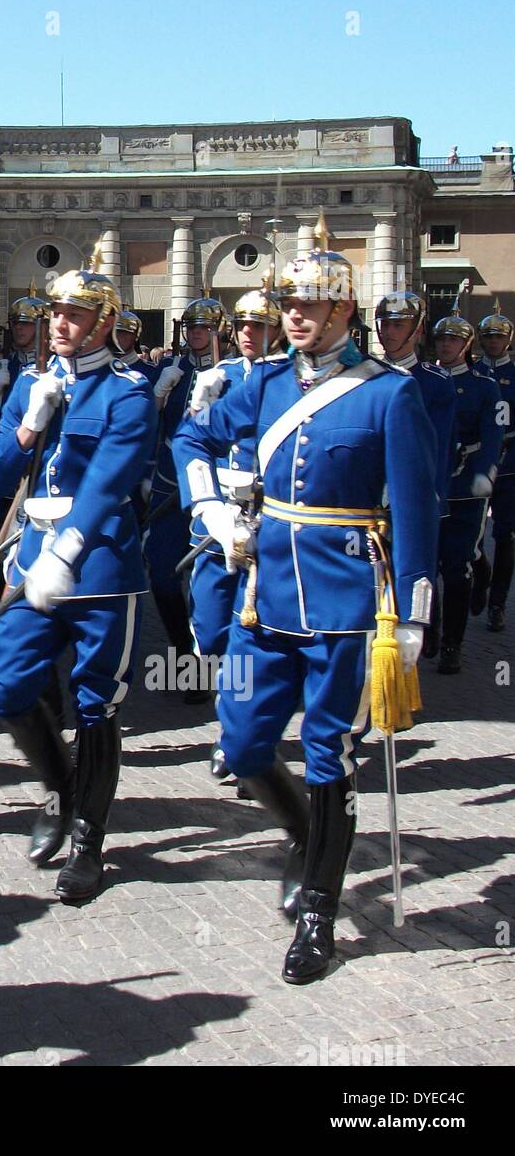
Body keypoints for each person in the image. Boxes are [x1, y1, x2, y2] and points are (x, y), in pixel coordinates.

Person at [173, 228, 438, 983]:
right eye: (289, 303)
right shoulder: (260, 385)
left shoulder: (390, 392)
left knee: (330, 756)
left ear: (345, 309)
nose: (295, 316)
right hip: (263, 598)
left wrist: (413, 612)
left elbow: (415, 507)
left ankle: (320, 910)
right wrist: (209, 511)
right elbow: (191, 439)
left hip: (348, 603)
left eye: (312, 305)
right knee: (245, 743)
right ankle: (301, 835)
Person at [0, 251, 155, 902]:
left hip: (100, 563)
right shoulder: (27, 385)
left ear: (104, 325)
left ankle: (88, 839)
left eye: (75, 314)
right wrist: (28, 424)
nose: (59, 323)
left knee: (94, 704)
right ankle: (60, 789)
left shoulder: (128, 392)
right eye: (56, 312)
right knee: (9, 686)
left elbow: (110, 481)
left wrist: (68, 549)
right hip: (31, 555)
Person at [183, 284, 284, 708]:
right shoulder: (221, 374)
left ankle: (234, 712)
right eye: (242, 325)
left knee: (250, 621)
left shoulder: (286, 377)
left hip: (264, 510)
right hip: (221, 509)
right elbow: (193, 440)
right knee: (207, 620)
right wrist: (198, 403)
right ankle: (203, 671)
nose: (248, 333)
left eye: (258, 326)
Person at [375, 291, 457, 657]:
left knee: (419, 566)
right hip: (370, 496)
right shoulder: (367, 374)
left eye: (399, 325)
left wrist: (429, 497)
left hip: (413, 493)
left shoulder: (435, 382)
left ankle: (425, 627)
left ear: (418, 329)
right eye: (386, 324)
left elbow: (437, 447)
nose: (389, 333)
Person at [144, 298, 226, 665]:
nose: (196, 334)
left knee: (209, 582)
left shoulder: (233, 373)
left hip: (214, 484)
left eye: (204, 328)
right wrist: (157, 396)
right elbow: (145, 428)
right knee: (162, 575)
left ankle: (206, 657)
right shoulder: (170, 369)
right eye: (191, 328)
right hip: (169, 480)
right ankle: (181, 651)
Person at [431, 300, 502, 673]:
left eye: (452, 341)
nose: (445, 346)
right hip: (432, 486)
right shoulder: (425, 380)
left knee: (456, 567)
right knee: (429, 563)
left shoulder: (483, 387)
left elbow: (493, 435)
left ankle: (451, 644)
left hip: (464, 486)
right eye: (441, 339)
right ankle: (432, 628)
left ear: (466, 346)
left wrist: (484, 473)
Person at [0, 287, 47, 595]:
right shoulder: (2, 368)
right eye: (16, 322)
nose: (20, 328)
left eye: (27, 323)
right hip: (6, 472)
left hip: (38, 476)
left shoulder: (52, 371)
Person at [473, 303, 514, 631]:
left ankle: (497, 603)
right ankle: (481, 573)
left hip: (511, 464)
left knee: (506, 536)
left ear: (508, 340)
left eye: (498, 337)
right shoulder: (473, 374)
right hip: (475, 464)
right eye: (487, 337)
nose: (492, 342)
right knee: (473, 537)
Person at [111, 306, 162, 387]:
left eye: (124, 333)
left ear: (136, 337)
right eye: (114, 332)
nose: (118, 337)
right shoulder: (99, 368)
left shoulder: (152, 372)